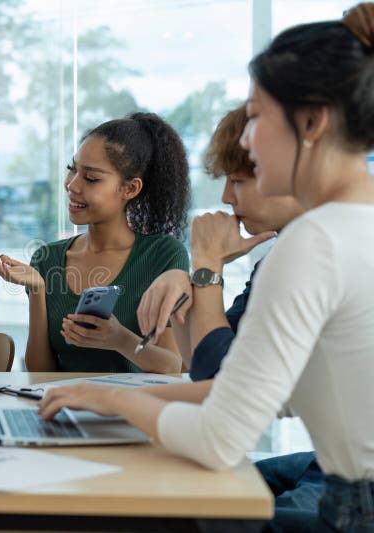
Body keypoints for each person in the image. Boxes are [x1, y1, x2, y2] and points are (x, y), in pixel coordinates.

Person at [39, 4, 374, 530]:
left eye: (257, 115)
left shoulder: (314, 242)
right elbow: (263, 393)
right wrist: (98, 396)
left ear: (312, 123)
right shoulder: (352, 227)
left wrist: (111, 400)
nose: (245, 138)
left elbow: (220, 436)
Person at [139, 105, 322, 530]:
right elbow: (204, 366)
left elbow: (220, 377)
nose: (226, 199)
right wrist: (189, 281)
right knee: (188, 490)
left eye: (239, 180)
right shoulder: (280, 255)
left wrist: (207, 267)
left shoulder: (309, 256)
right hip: (325, 460)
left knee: (192, 513)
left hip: (355, 483)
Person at [0, 112, 190, 373]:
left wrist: (120, 340)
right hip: (64, 408)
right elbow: (40, 373)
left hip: (132, 409)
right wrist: (37, 291)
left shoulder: (163, 255)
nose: (72, 185)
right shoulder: (46, 258)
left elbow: (173, 366)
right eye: (72, 170)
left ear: (130, 189)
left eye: (91, 178)